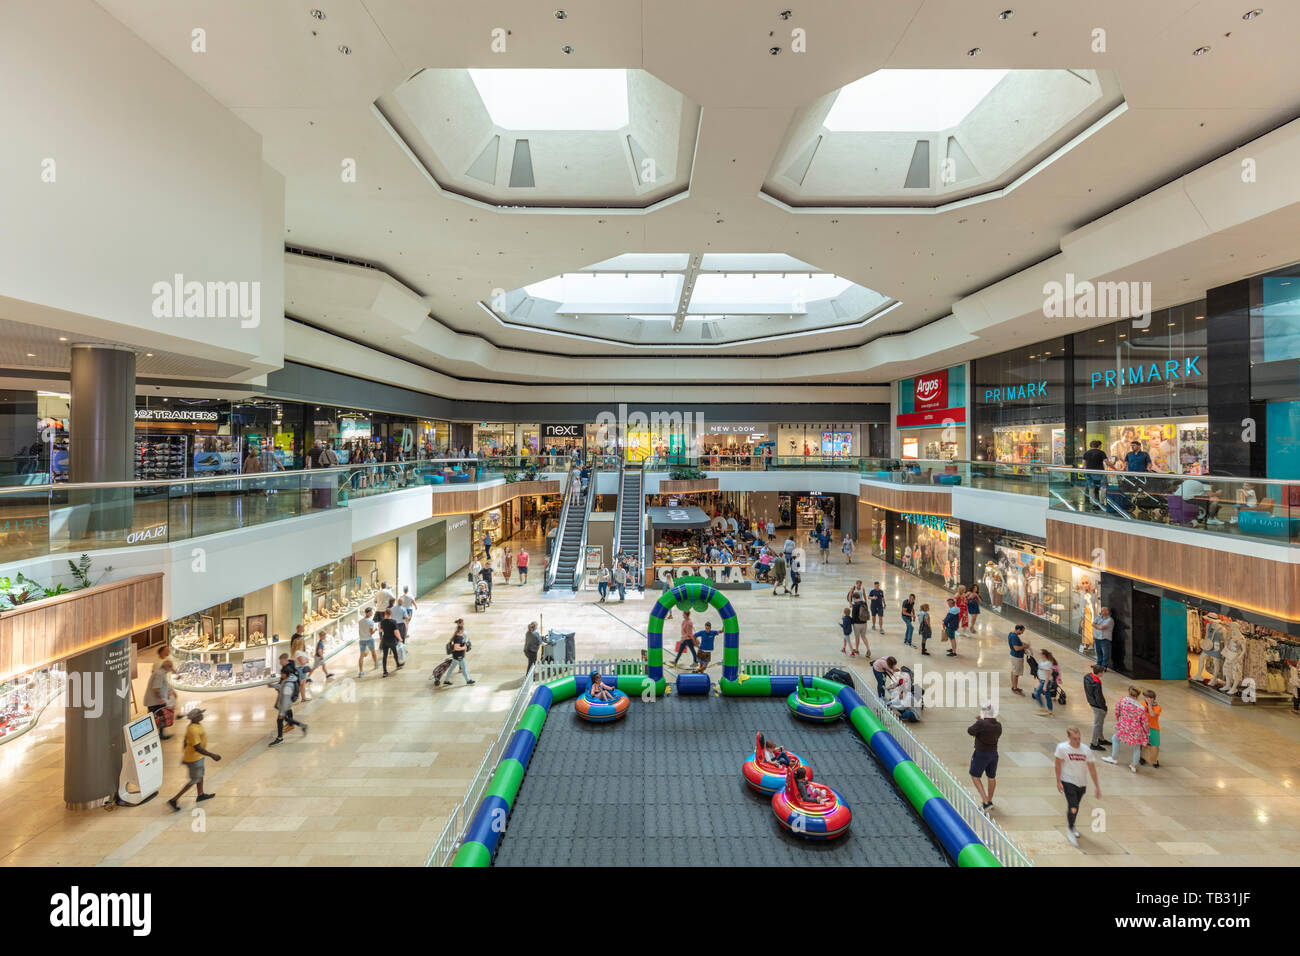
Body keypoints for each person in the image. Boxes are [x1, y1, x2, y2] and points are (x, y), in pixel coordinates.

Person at [1054, 725, 1102, 847]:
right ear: (1069, 737)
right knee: (1073, 805)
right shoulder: (1062, 748)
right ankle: (1070, 829)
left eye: (1079, 738)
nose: (1077, 741)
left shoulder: (1086, 750)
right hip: (1068, 780)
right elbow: (1058, 765)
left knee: (1076, 805)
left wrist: (1097, 786)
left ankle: (1072, 824)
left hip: (1081, 783)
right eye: (1074, 738)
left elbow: (1092, 770)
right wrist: (1058, 781)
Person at [168, 708, 221, 811]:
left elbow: (185, 741)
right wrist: (212, 755)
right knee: (194, 779)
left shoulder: (195, 725)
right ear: (195, 717)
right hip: (194, 758)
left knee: (200, 775)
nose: (202, 715)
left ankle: (200, 795)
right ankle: (174, 799)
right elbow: (198, 747)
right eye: (200, 714)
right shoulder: (193, 729)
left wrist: (185, 754)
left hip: (196, 757)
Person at [1104, 685, 1149, 773]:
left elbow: (1117, 712)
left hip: (1123, 726)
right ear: (1138, 695)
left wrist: (1120, 720)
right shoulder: (1141, 708)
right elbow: (1144, 722)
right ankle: (1134, 765)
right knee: (1137, 747)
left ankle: (1114, 758)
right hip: (1135, 729)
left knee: (1115, 739)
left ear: (1129, 692)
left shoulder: (1122, 701)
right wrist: (1147, 733)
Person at [967, 704, 1002, 811]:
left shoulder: (981, 724)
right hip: (994, 754)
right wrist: (981, 722)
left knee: (974, 776)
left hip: (981, 753)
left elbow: (970, 731)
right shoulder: (998, 725)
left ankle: (985, 802)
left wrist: (979, 722)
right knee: (991, 777)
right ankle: (990, 800)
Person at [269, 653, 309, 746]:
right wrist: (272, 685)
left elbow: (286, 697)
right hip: (284, 704)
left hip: (285, 704)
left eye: (282, 674)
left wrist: (282, 709)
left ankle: (279, 738)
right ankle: (302, 726)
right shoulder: (287, 680)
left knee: (280, 720)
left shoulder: (288, 684)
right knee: (287, 719)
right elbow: (280, 685)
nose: (281, 675)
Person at [144, 659, 177, 739]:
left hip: (156, 701)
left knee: (158, 717)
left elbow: (162, 686)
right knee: (158, 717)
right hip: (155, 701)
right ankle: (157, 735)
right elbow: (155, 688)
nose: (171, 668)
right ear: (165, 666)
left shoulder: (161, 673)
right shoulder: (160, 674)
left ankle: (159, 734)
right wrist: (160, 699)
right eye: (170, 666)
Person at [439, 622, 475, 686]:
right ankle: (468, 680)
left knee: (451, 668)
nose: (463, 631)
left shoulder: (458, 636)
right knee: (464, 669)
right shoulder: (458, 638)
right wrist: (463, 648)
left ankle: (446, 681)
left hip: (456, 656)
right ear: (460, 630)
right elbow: (456, 648)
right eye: (463, 630)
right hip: (459, 657)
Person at [1084, 664, 1109, 751]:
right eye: (1103, 672)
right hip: (1098, 706)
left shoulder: (1087, 677)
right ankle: (1094, 743)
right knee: (1098, 724)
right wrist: (1103, 707)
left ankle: (1101, 738)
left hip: (1091, 702)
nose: (1103, 674)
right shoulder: (1097, 683)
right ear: (1100, 673)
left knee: (1099, 722)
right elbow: (1099, 697)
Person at [1082, 440, 1108, 509]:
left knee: (1091, 488)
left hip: (1089, 473)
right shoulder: (1101, 452)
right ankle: (1102, 502)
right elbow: (1107, 462)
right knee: (1103, 487)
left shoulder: (1086, 453)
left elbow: (1084, 465)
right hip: (1099, 473)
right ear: (1099, 446)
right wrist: (1115, 469)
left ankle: (1094, 503)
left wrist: (1085, 472)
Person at [1032, 649, 1060, 716]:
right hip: (1042, 680)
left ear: (1044, 655)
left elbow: (1047, 675)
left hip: (1045, 681)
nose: (1039, 654)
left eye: (1040, 653)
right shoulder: (1042, 661)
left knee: (1037, 693)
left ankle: (1043, 708)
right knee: (1047, 696)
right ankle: (1050, 710)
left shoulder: (1047, 663)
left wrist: (1045, 685)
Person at [378, 608, 403, 677]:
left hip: (385, 640)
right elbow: (396, 632)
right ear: (391, 614)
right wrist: (400, 638)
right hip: (391, 640)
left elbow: (380, 630)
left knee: (384, 656)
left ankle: (385, 671)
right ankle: (398, 665)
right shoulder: (393, 621)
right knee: (395, 653)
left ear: (385, 614)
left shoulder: (382, 622)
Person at [1141, 689, 1162, 768]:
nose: (1146, 699)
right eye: (1145, 697)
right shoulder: (1142, 704)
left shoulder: (1158, 707)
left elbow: (1152, 714)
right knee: (1143, 743)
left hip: (1153, 728)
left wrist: (1150, 705)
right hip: (1143, 726)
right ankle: (1142, 757)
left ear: (1152, 699)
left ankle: (1154, 760)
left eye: (1148, 697)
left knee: (1155, 745)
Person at [1007, 625, 1030, 695]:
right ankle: (1015, 688)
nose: (1022, 633)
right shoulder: (1014, 637)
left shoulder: (1011, 634)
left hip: (1013, 655)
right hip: (1016, 657)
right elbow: (1016, 648)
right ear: (1018, 630)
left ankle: (1014, 686)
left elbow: (1017, 643)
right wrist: (1025, 646)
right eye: (1022, 631)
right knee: (1016, 673)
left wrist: (1022, 643)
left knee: (1014, 671)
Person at [291, 633, 313, 701]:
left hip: (302, 669)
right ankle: (298, 697)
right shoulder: (298, 652)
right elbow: (302, 662)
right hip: (300, 669)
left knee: (302, 684)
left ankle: (303, 698)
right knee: (301, 684)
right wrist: (307, 659)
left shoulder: (299, 652)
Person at [357, 606, 378, 677]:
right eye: (371, 612)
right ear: (368, 613)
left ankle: (361, 671)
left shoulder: (360, 621)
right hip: (369, 639)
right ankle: (376, 664)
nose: (372, 613)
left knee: (361, 656)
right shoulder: (371, 622)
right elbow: (371, 632)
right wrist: (376, 630)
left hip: (362, 640)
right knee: (373, 652)